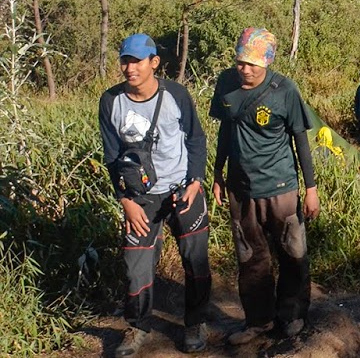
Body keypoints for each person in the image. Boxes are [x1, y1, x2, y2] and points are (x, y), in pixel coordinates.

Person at [99, 33, 213, 357]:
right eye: (125, 60)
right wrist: (125, 201)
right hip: (140, 199)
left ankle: (195, 322)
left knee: (196, 260)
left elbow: (196, 139)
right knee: (135, 266)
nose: (129, 67)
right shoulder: (111, 101)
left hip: (182, 191)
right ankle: (137, 327)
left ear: (154, 63)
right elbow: (112, 157)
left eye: (136, 61)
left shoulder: (176, 94)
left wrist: (196, 181)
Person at [210, 28, 319, 345]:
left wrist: (310, 188)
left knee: (292, 254)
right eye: (241, 62)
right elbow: (225, 134)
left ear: (267, 62)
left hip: (281, 188)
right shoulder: (226, 84)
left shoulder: (284, 90)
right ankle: (258, 321)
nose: (245, 69)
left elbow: (300, 141)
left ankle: (292, 316)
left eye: (252, 65)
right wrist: (218, 173)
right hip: (241, 191)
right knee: (251, 259)